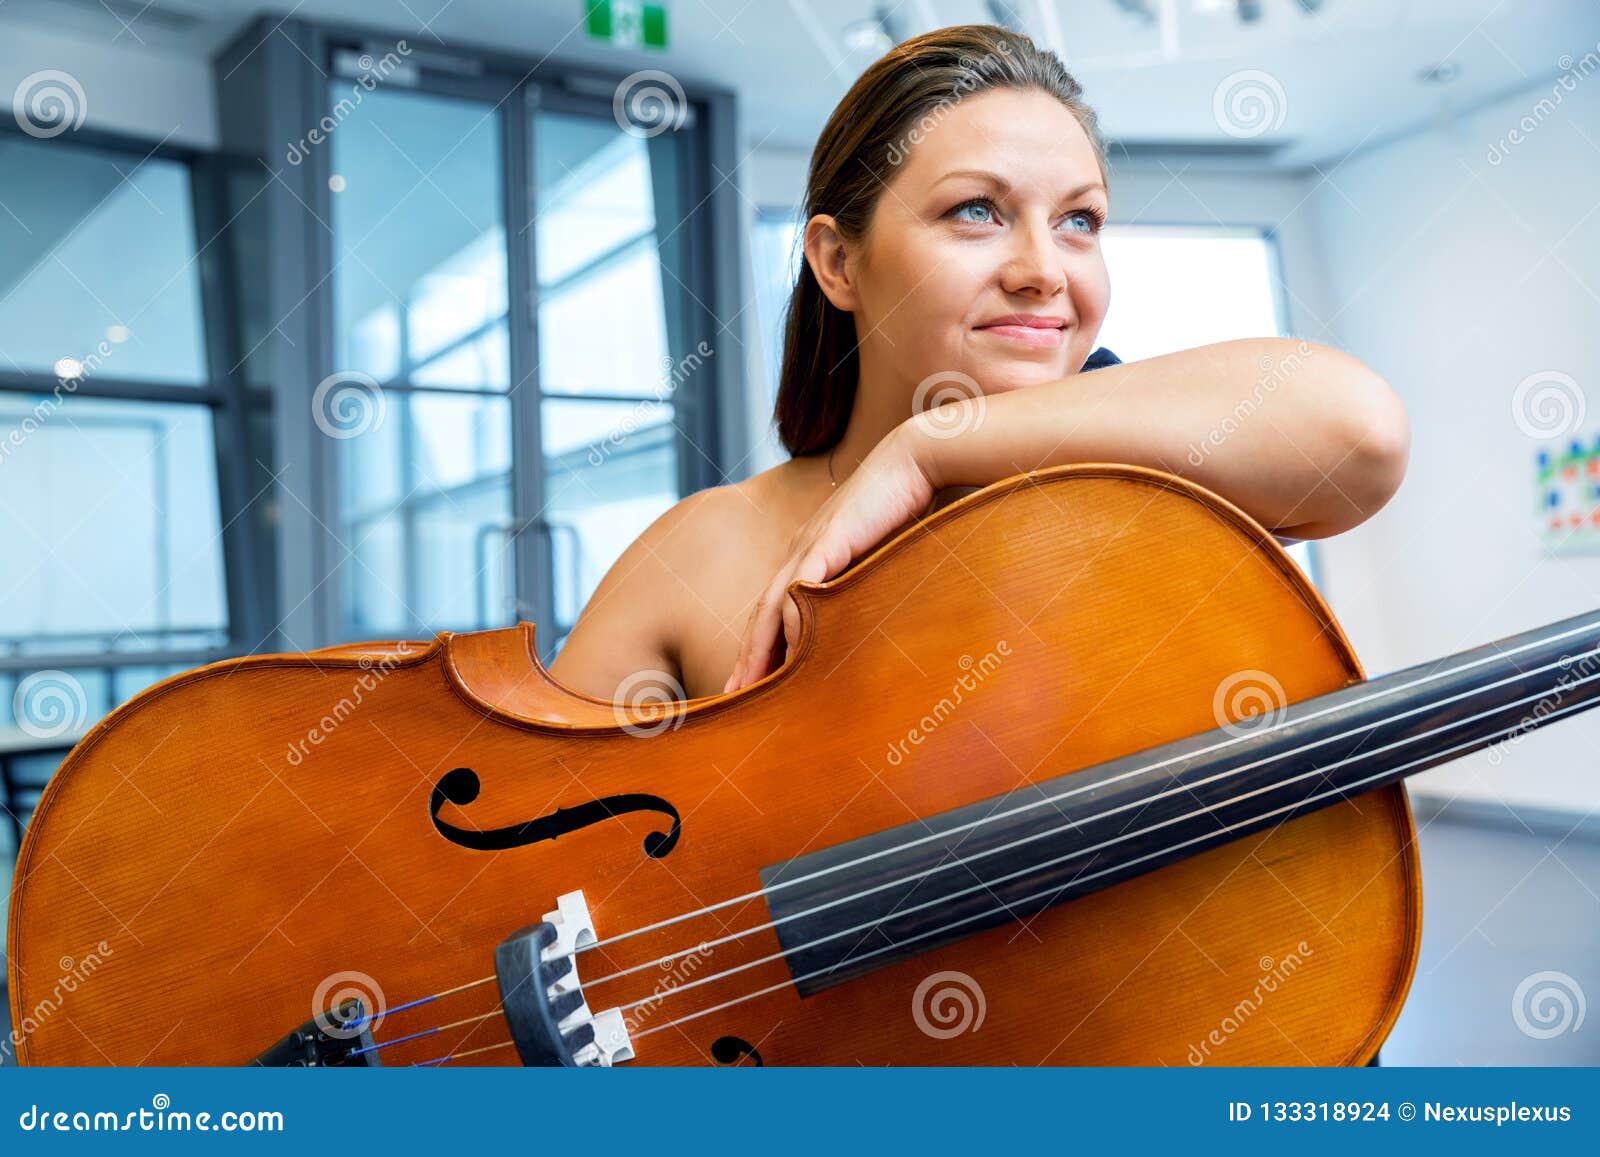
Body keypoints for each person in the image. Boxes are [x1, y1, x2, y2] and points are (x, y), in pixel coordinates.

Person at [549, 23, 1409, 703]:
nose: (1043, 269)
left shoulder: (1142, 482)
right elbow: (509, 876)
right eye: (975, 210)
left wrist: (929, 447)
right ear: (838, 263)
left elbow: (1358, 430)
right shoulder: (702, 552)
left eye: (1080, 220)